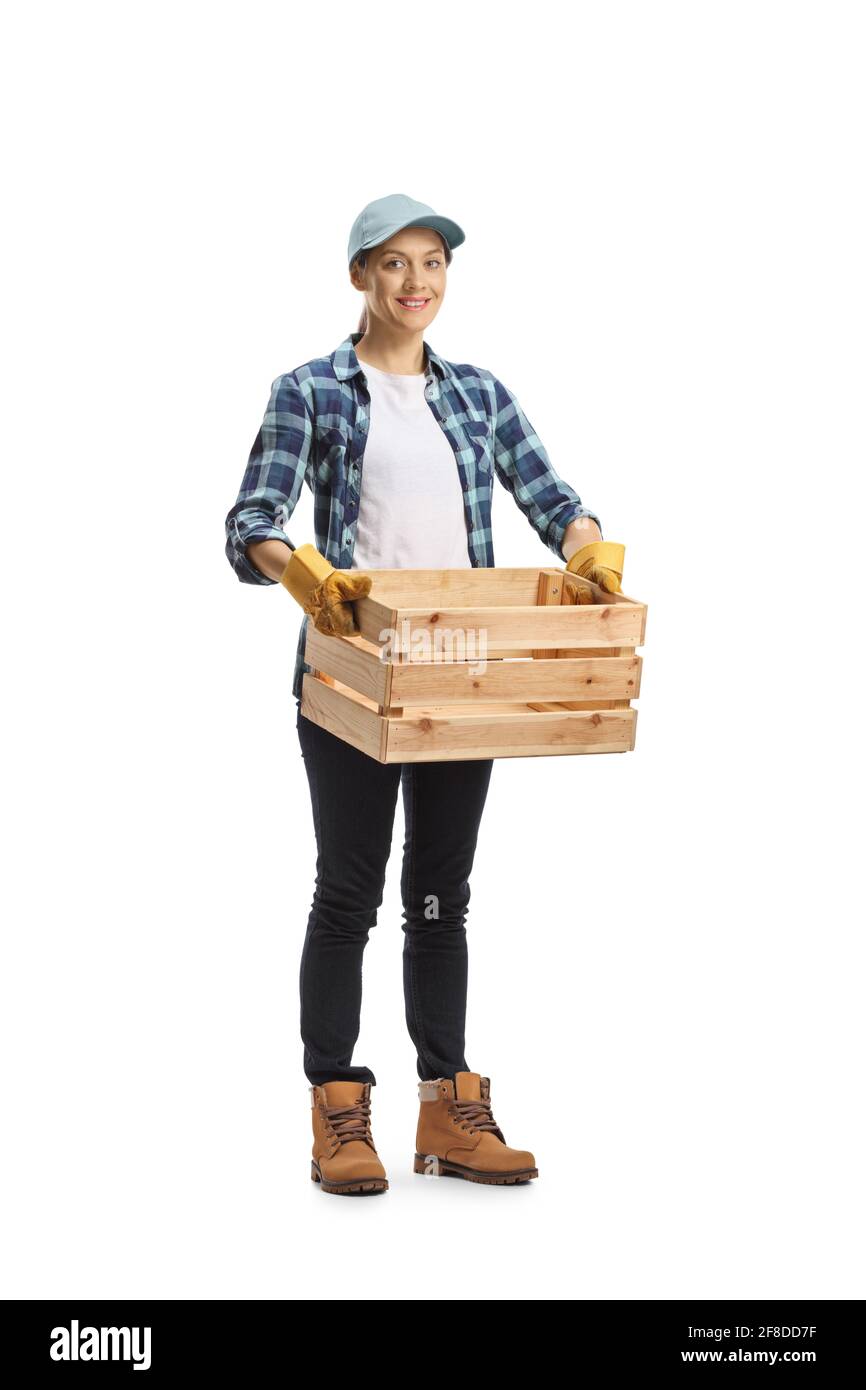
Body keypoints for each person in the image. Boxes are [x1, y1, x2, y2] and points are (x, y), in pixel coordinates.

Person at [224, 194, 620, 1195]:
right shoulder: (310, 388)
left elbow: (553, 502)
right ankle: (336, 1111)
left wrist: (589, 549)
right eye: (393, 264)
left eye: (432, 263)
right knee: (348, 893)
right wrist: (304, 573)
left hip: (460, 676)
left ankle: (447, 1108)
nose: (415, 283)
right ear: (358, 275)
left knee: (440, 900)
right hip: (354, 676)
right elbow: (253, 516)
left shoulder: (478, 394)